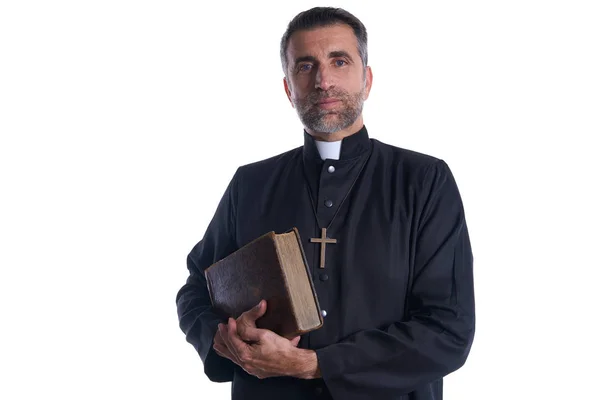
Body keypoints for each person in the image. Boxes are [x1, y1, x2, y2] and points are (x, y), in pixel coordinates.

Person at [176, 6, 475, 400]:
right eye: (305, 66)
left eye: (339, 61)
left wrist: (315, 365)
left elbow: (447, 329)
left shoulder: (424, 181)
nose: (323, 80)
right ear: (288, 88)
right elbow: (197, 289)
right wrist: (222, 340)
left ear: (366, 80)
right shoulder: (250, 184)